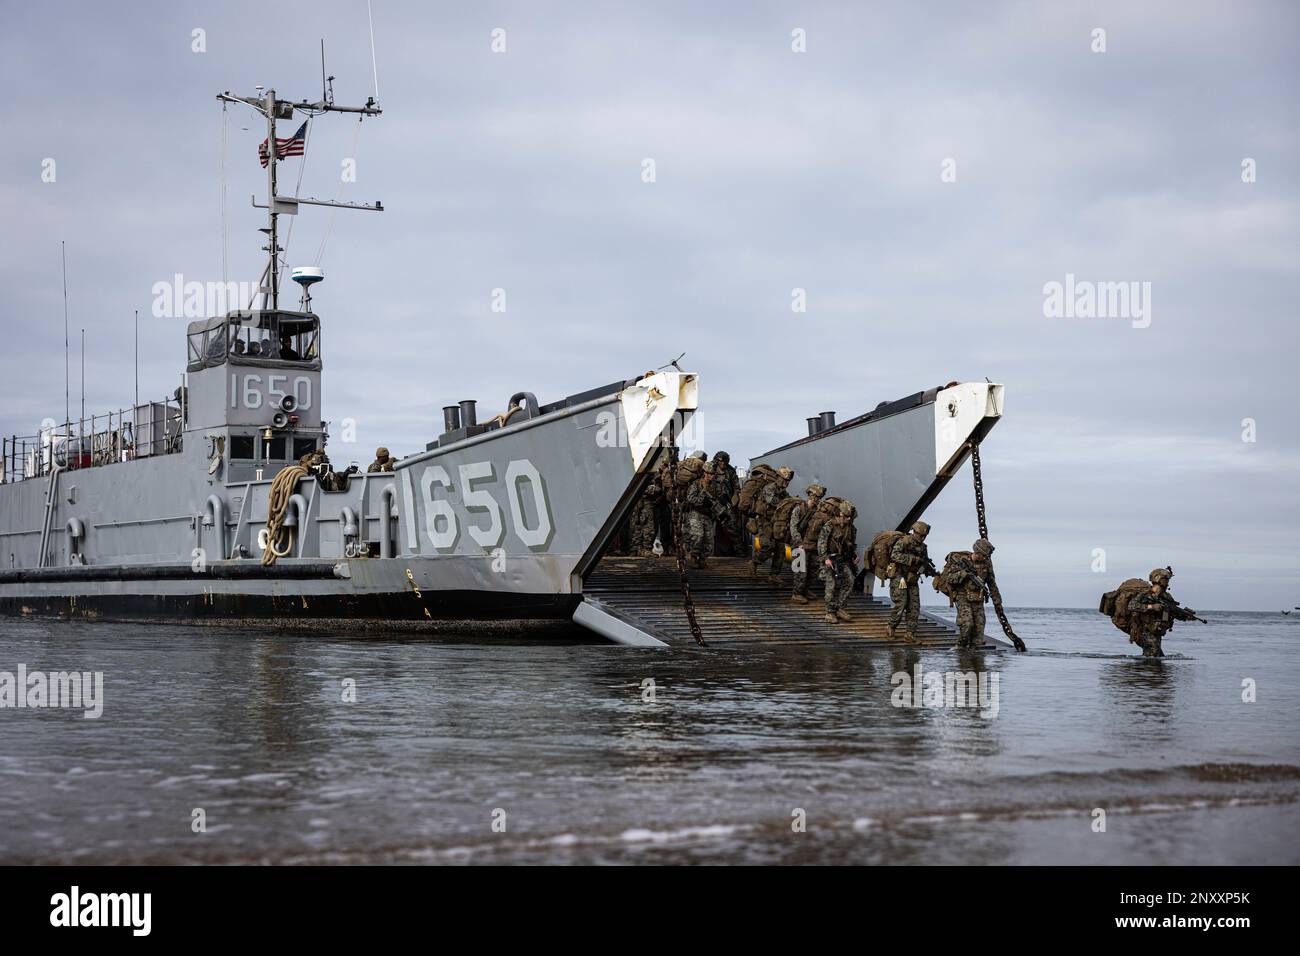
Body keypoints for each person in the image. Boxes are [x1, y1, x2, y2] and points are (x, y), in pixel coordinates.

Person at [1126, 567, 1201, 658]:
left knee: (1156, 656)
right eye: (1166, 579)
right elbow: (1131, 606)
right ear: (1159, 579)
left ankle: (1141, 670)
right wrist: (1151, 607)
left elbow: (1173, 612)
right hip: (1144, 631)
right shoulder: (1146, 594)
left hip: (1157, 631)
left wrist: (1185, 616)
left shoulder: (1166, 597)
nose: (1167, 582)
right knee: (1153, 657)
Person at [888, 520, 934, 643]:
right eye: (921, 535)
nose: (923, 538)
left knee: (914, 606)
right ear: (915, 532)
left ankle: (910, 634)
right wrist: (912, 559)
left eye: (925, 536)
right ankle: (891, 627)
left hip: (913, 578)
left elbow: (922, 563)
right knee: (901, 603)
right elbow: (894, 556)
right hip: (900, 576)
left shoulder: (923, 548)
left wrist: (927, 570)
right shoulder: (904, 541)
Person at [952, 538, 1003, 649]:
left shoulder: (986, 565)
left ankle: (975, 659)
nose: (985, 558)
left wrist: (998, 602)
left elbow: (992, 585)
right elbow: (950, 579)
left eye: (986, 556)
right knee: (967, 624)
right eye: (983, 555)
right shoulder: (961, 561)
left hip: (978, 599)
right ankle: (960, 648)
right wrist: (963, 574)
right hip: (963, 597)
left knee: (979, 629)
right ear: (977, 552)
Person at [817, 499, 859, 622]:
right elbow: (821, 542)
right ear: (841, 514)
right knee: (831, 585)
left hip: (843, 559)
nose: (849, 520)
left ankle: (840, 607)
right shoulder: (830, 525)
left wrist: (854, 556)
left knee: (849, 580)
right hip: (830, 558)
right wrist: (825, 558)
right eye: (847, 517)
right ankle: (829, 612)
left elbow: (851, 545)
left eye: (850, 517)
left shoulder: (851, 528)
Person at [752, 466, 793, 584]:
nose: (786, 483)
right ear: (778, 478)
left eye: (788, 481)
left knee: (780, 549)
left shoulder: (784, 493)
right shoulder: (769, 488)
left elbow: (788, 503)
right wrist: (788, 503)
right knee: (768, 546)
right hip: (765, 521)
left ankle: (774, 575)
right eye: (784, 480)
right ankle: (754, 563)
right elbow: (773, 501)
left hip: (776, 523)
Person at [788, 484, 826, 604]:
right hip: (798, 544)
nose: (817, 500)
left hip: (810, 544)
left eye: (819, 498)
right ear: (811, 496)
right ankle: (796, 594)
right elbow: (793, 527)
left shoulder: (816, 511)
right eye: (816, 497)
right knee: (800, 570)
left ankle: (805, 590)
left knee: (813, 568)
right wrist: (799, 543)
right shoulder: (799, 509)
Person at [679, 452, 713, 568]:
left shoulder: (714, 485)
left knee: (709, 541)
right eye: (709, 474)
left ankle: (702, 559)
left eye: (712, 474)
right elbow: (691, 499)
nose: (711, 476)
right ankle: (693, 557)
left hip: (707, 514)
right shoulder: (696, 484)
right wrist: (703, 495)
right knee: (697, 536)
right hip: (695, 513)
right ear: (704, 473)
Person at [708, 450, 740, 555]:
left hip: (726, 503)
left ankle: (739, 551)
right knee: (707, 528)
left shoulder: (730, 472)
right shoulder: (710, 470)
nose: (723, 464)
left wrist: (733, 502)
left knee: (732, 528)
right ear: (717, 461)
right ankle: (707, 553)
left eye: (725, 462)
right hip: (712, 502)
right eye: (721, 461)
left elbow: (736, 488)